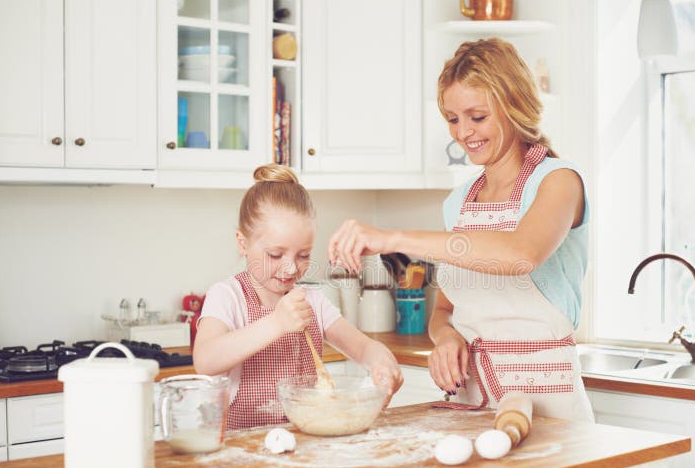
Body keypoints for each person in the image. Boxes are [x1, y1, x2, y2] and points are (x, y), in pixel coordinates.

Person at [328, 38, 593, 422]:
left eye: (477, 116)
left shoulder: (560, 182)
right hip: (473, 397)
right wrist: (447, 337)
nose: (463, 132)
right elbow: (447, 308)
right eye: (453, 119)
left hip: (549, 403)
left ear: (513, 105)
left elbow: (520, 254)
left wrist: (392, 238)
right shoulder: (460, 201)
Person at [194, 164, 404, 430]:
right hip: (243, 446)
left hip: (304, 439)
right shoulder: (227, 296)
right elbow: (205, 360)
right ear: (243, 243)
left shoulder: (312, 300)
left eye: (303, 255)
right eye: (275, 254)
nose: (291, 268)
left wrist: (382, 363)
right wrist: (276, 323)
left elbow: (362, 347)